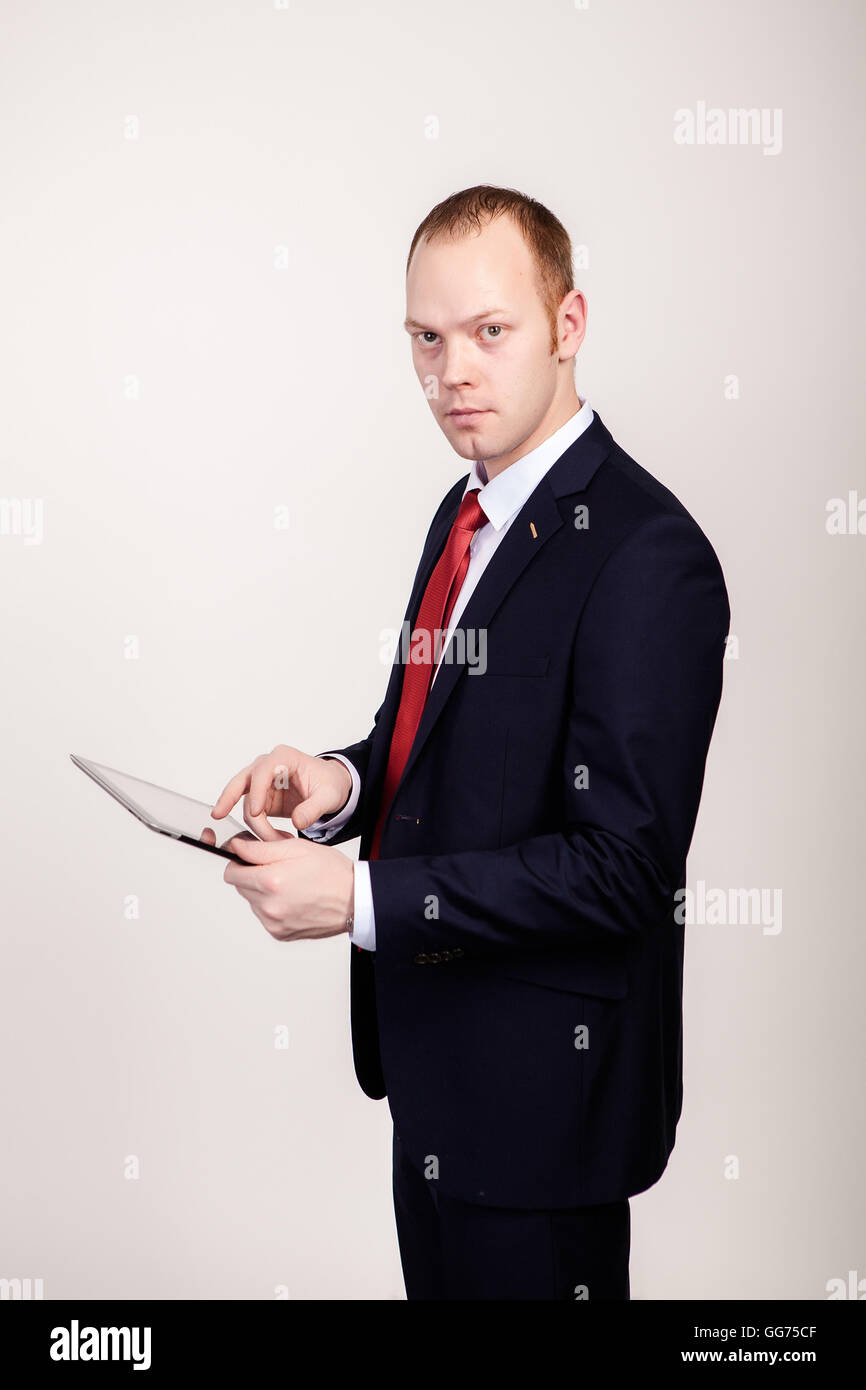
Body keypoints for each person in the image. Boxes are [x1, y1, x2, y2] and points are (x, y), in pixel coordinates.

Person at [211, 184, 731, 1300]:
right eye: (426, 339)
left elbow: (622, 868)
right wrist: (340, 779)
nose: (453, 372)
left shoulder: (648, 555)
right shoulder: (465, 511)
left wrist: (352, 903)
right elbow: (442, 743)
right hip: (435, 1080)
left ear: (568, 325)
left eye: (490, 331)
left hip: (545, 1114)